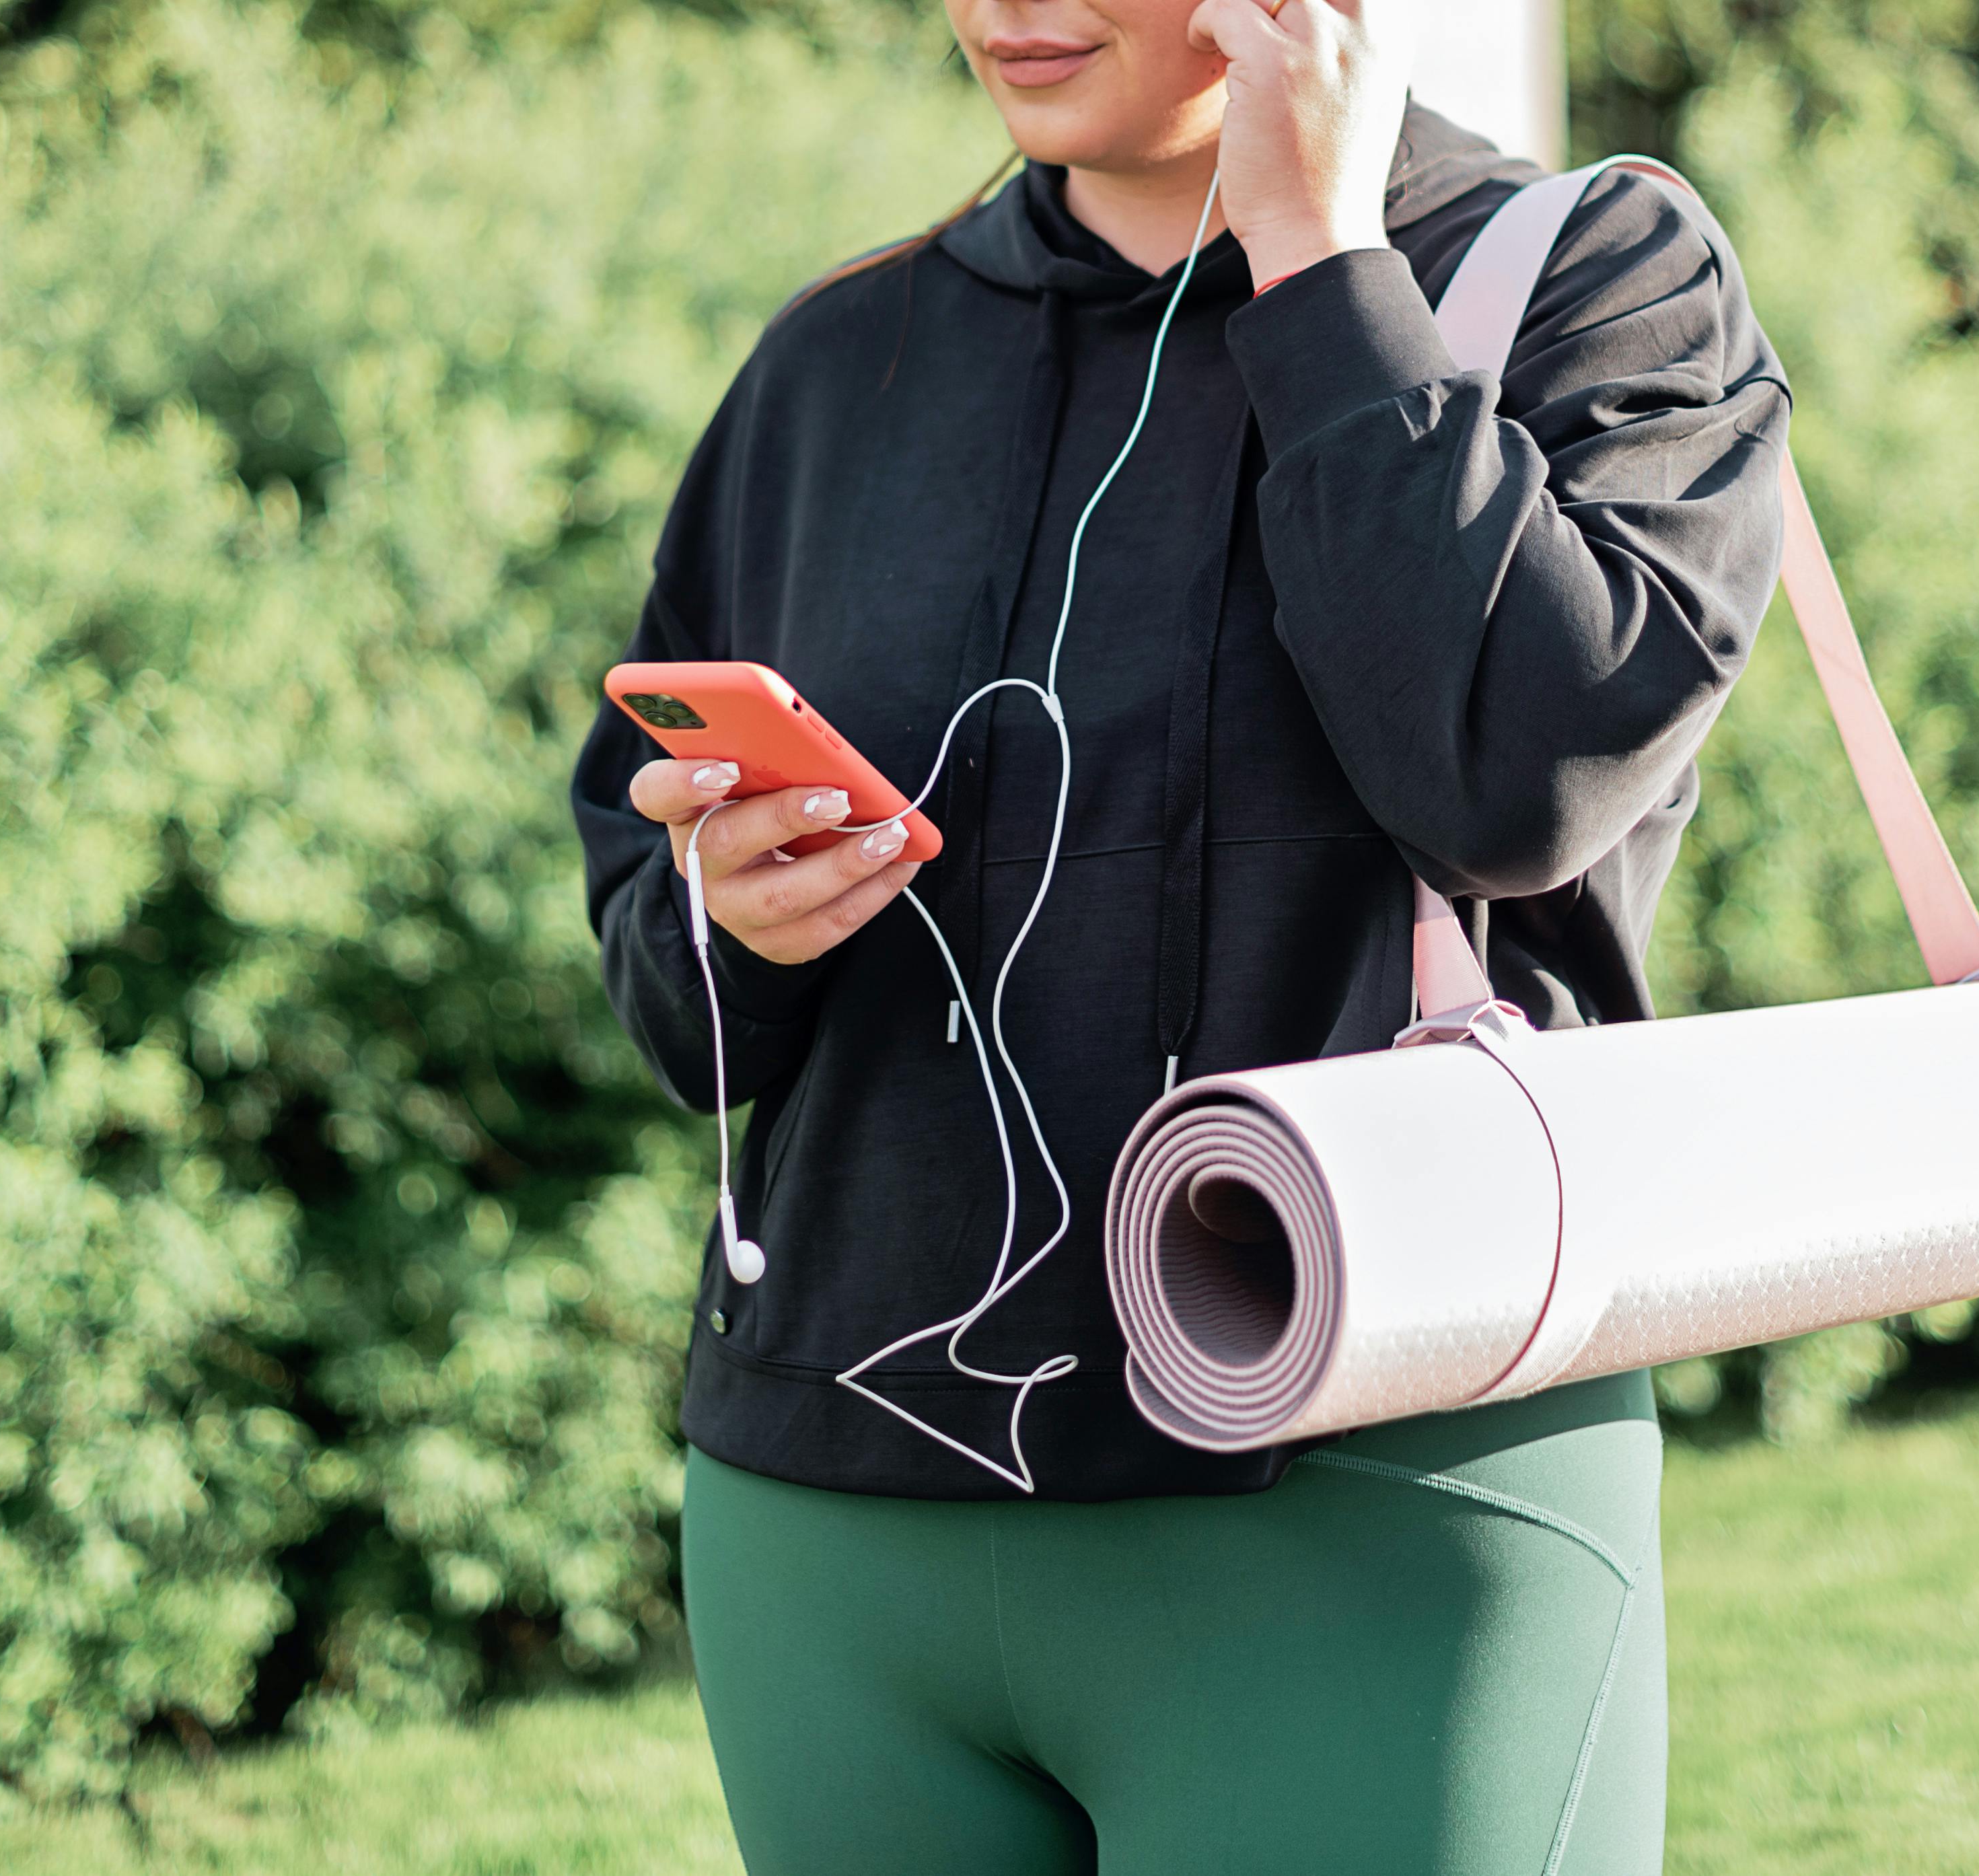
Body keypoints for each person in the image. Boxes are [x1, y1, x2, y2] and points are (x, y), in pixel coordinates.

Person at [569, 0, 1789, 1867]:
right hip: (831, 1528)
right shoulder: (838, 358)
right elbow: (665, 986)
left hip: (1370, 1500)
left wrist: (1314, 257)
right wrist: (730, 914)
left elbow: (1517, 782)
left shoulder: (1592, 281)